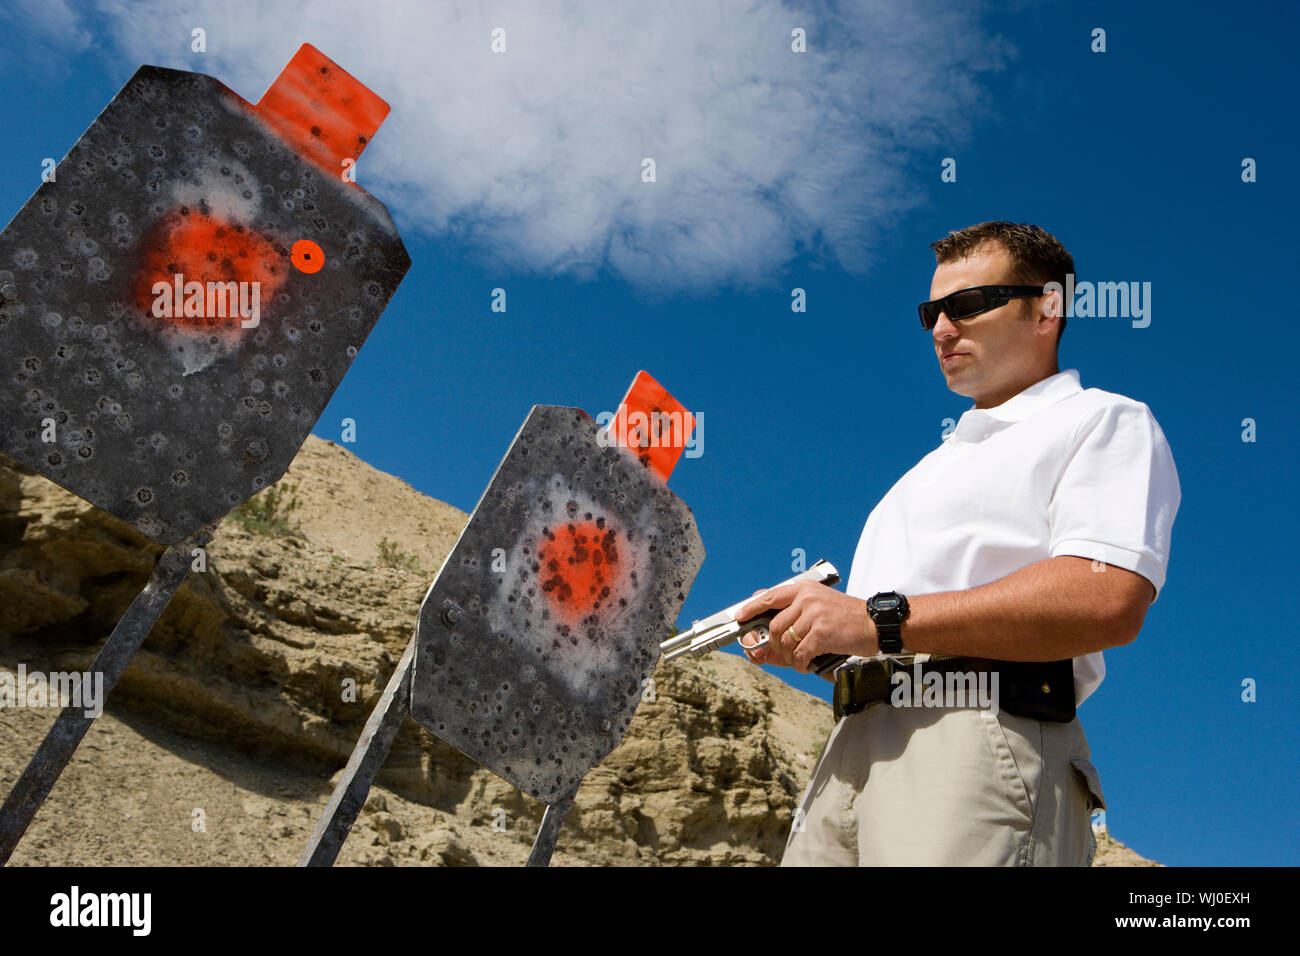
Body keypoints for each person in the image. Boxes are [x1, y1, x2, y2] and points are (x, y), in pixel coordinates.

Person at [736, 221, 1180, 866]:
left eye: (969, 305)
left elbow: (1105, 594)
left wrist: (874, 619)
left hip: (976, 739)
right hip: (850, 747)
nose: (943, 329)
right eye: (932, 312)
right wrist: (821, 638)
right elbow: (895, 630)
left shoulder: (1102, 419)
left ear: (1048, 309)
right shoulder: (922, 473)